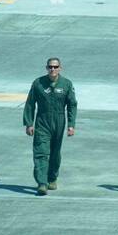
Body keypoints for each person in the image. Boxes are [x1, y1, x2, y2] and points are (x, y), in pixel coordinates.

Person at [23, 57, 77, 196]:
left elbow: (72, 105)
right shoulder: (38, 83)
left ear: (60, 68)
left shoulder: (66, 84)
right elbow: (30, 104)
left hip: (59, 122)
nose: (52, 69)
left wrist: (71, 125)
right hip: (42, 121)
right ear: (46, 68)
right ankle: (42, 183)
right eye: (50, 67)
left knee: (55, 153)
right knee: (41, 152)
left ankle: (52, 178)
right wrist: (29, 123)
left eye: (55, 67)